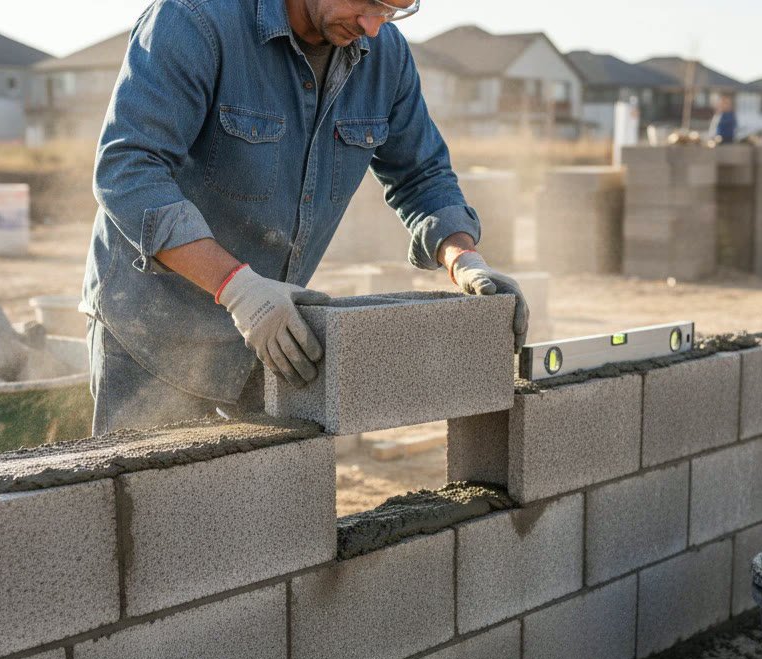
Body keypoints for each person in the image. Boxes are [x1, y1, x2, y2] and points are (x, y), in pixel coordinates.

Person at [82, 0, 529, 434]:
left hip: (273, 334)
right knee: (151, 501)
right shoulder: (196, 20)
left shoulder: (385, 56)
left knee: (256, 501)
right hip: (154, 332)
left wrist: (464, 259)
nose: (373, 26)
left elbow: (421, 175)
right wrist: (237, 287)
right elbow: (129, 171)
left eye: (393, 9)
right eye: (367, 2)